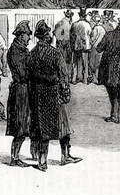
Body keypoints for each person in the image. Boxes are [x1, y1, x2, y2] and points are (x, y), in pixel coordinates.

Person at [27, 20, 81, 171]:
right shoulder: (55, 53)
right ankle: (65, 156)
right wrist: (66, 93)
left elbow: (29, 76)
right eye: (49, 33)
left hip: (38, 95)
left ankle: (42, 161)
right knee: (63, 125)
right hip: (54, 94)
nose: (51, 36)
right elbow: (63, 76)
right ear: (46, 36)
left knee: (42, 127)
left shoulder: (32, 54)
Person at [96, 12, 120, 123]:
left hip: (109, 68)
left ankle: (114, 115)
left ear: (118, 24)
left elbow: (99, 48)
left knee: (112, 91)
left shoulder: (109, 34)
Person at [5, 21, 33, 167]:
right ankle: (14, 158)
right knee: (20, 125)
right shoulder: (16, 51)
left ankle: (15, 157)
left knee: (24, 124)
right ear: (21, 35)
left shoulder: (21, 49)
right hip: (21, 91)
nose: (29, 39)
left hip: (23, 89)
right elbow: (23, 73)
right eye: (28, 35)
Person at [70, 8, 92, 84]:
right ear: (85, 16)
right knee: (85, 64)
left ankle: (74, 79)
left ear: (79, 15)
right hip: (85, 47)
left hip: (76, 46)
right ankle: (85, 80)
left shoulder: (74, 24)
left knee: (75, 64)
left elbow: (72, 36)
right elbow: (89, 34)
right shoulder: (88, 24)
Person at [54, 10, 74, 82]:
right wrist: (62, 41)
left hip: (66, 43)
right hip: (64, 43)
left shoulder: (67, 22)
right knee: (64, 60)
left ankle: (66, 77)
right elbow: (57, 33)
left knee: (67, 60)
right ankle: (64, 78)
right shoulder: (63, 23)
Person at [88, 11, 108, 85]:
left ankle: (94, 79)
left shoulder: (95, 28)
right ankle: (98, 79)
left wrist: (90, 43)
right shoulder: (103, 29)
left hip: (95, 48)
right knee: (99, 64)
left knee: (93, 63)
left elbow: (92, 39)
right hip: (101, 48)